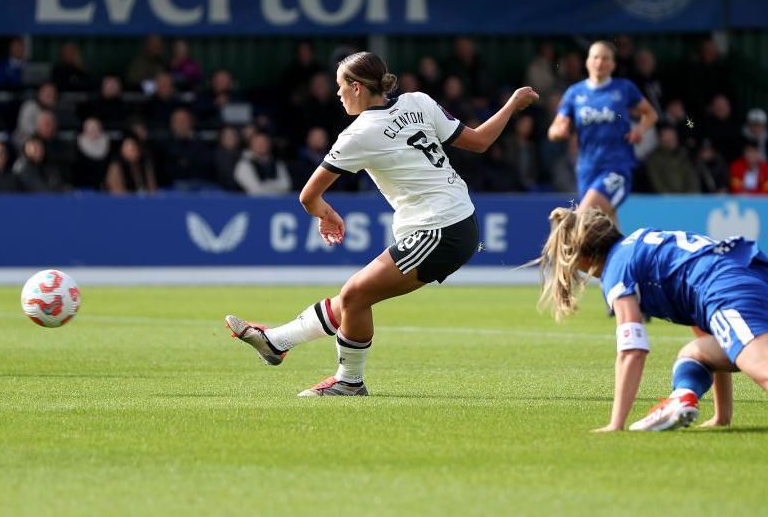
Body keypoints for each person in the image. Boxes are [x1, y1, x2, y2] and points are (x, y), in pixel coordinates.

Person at [225, 51, 539, 396]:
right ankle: (276, 342)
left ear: (357, 87)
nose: (337, 94)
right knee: (355, 296)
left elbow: (308, 196)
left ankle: (348, 382)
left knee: (356, 295)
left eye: (340, 86)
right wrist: (511, 104)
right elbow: (479, 141)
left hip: (439, 229)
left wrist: (324, 214)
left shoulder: (358, 134)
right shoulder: (418, 101)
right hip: (457, 220)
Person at [535, 207, 768, 439]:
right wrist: (723, 416)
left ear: (582, 256)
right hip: (764, 284)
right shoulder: (642, 242)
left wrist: (615, 424)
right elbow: (706, 326)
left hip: (731, 293)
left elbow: (633, 349)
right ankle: (684, 398)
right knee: (694, 353)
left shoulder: (618, 268)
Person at [547, 41, 657, 221]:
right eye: (595, 57)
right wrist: (559, 131)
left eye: (605, 58)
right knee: (604, 227)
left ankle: (556, 250)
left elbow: (650, 114)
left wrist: (640, 129)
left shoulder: (623, 88)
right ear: (588, 61)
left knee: (583, 219)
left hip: (616, 167)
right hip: (587, 169)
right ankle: (618, 250)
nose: (600, 62)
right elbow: (554, 129)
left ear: (613, 64)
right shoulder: (575, 93)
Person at [644, 124, 699, 194]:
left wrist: (689, 196)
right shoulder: (653, 158)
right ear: (660, 138)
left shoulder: (684, 155)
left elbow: (692, 178)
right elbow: (657, 183)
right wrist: (670, 198)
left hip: (686, 200)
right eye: (667, 135)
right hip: (665, 201)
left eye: (673, 135)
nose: (671, 138)